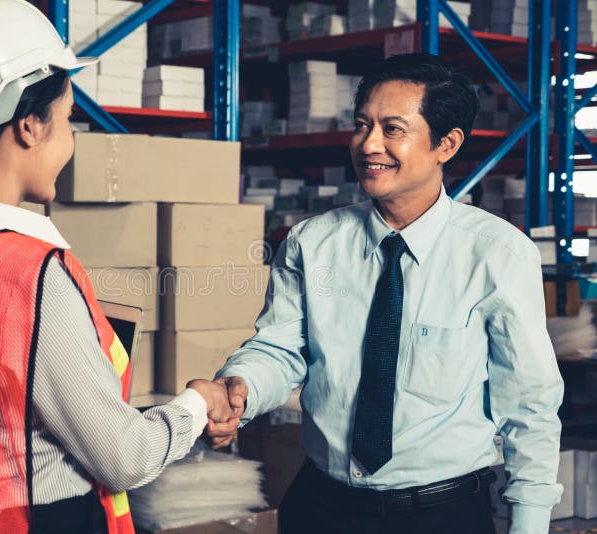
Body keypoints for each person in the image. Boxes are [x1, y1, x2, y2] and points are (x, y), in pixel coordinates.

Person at [0, 1, 235, 533]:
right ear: (28, 126)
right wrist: (197, 405)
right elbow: (125, 458)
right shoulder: (29, 275)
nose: (70, 140)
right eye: (66, 121)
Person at [206, 53, 564, 534]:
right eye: (361, 125)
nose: (369, 144)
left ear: (447, 144)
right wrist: (241, 388)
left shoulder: (498, 255)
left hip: (441, 516)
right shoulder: (313, 243)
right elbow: (280, 347)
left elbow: (528, 403)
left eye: (392, 128)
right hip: (320, 507)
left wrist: (530, 521)